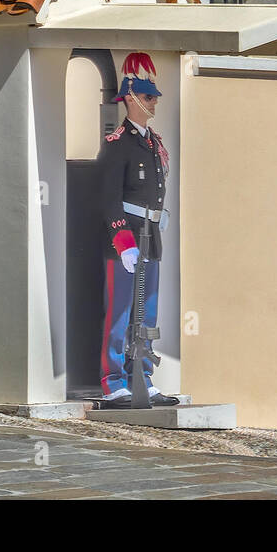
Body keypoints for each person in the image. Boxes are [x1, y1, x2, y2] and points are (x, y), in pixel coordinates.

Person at [96, 52, 179, 407]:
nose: (154, 100)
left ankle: (143, 376)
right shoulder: (119, 145)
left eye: (154, 95)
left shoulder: (152, 142)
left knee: (148, 311)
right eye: (147, 96)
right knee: (120, 313)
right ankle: (113, 381)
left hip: (152, 235)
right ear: (130, 98)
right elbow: (108, 199)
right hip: (126, 239)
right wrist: (124, 241)